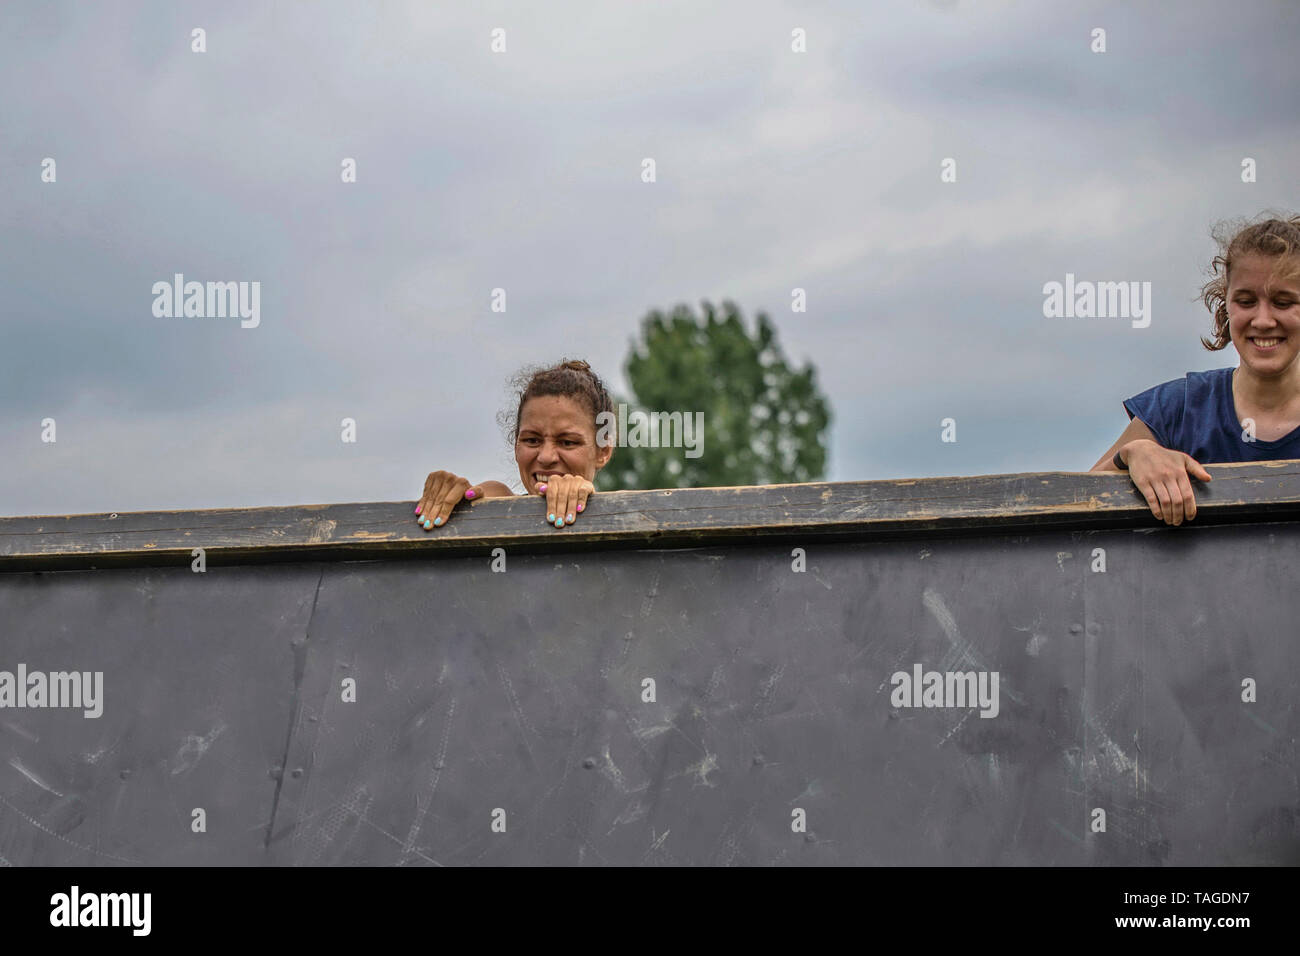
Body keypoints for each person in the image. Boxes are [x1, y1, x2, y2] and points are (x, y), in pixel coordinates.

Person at [1091, 214, 1300, 525]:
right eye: (1245, 301)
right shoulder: (1178, 409)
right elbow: (1076, 501)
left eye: (1283, 302)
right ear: (1225, 305)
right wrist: (1134, 454)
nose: (1263, 320)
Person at [415, 359, 615, 530]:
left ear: (603, 452)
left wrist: (596, 506)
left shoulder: (629, 523)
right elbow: (489, 497)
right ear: (516, 445)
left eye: (567, 442)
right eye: (532, 440)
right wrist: (452, 498)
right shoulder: (498, 497)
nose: (546, 457)